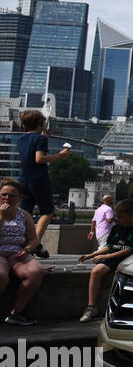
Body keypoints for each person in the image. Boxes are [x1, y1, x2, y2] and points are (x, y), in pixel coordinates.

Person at [15, 110, 71, 259]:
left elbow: (30, 147)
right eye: (44, 122)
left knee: (24, 212)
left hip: (23, 179)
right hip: (39, 179)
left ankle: (19, 241)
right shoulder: (40, 139)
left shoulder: (20, 139)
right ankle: (36, 242)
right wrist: (60, 155)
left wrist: (42, 136)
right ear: (40, 123)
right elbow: (39, 159)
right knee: (47, 211)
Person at [78, 199, 133, 322]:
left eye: (121, 217)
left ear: (132, 215)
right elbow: (108, 246)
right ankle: (91, 307)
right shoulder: (116, 228)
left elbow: (130, 250)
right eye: (116, 217)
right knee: (96, 272)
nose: (117, 219)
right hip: (113, 257)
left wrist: (105, 257)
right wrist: (91, 255)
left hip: (127, 260)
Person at [0, 178, 47, 326]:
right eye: (4, 195)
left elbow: (33, 239)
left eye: (12, 195)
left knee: (36, 271)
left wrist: (27, 249)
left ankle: (15, 313)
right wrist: (1, 216)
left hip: (17, 253)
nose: (7, 198)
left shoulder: (24, 215)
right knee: (1, 275)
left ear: (19, 197)